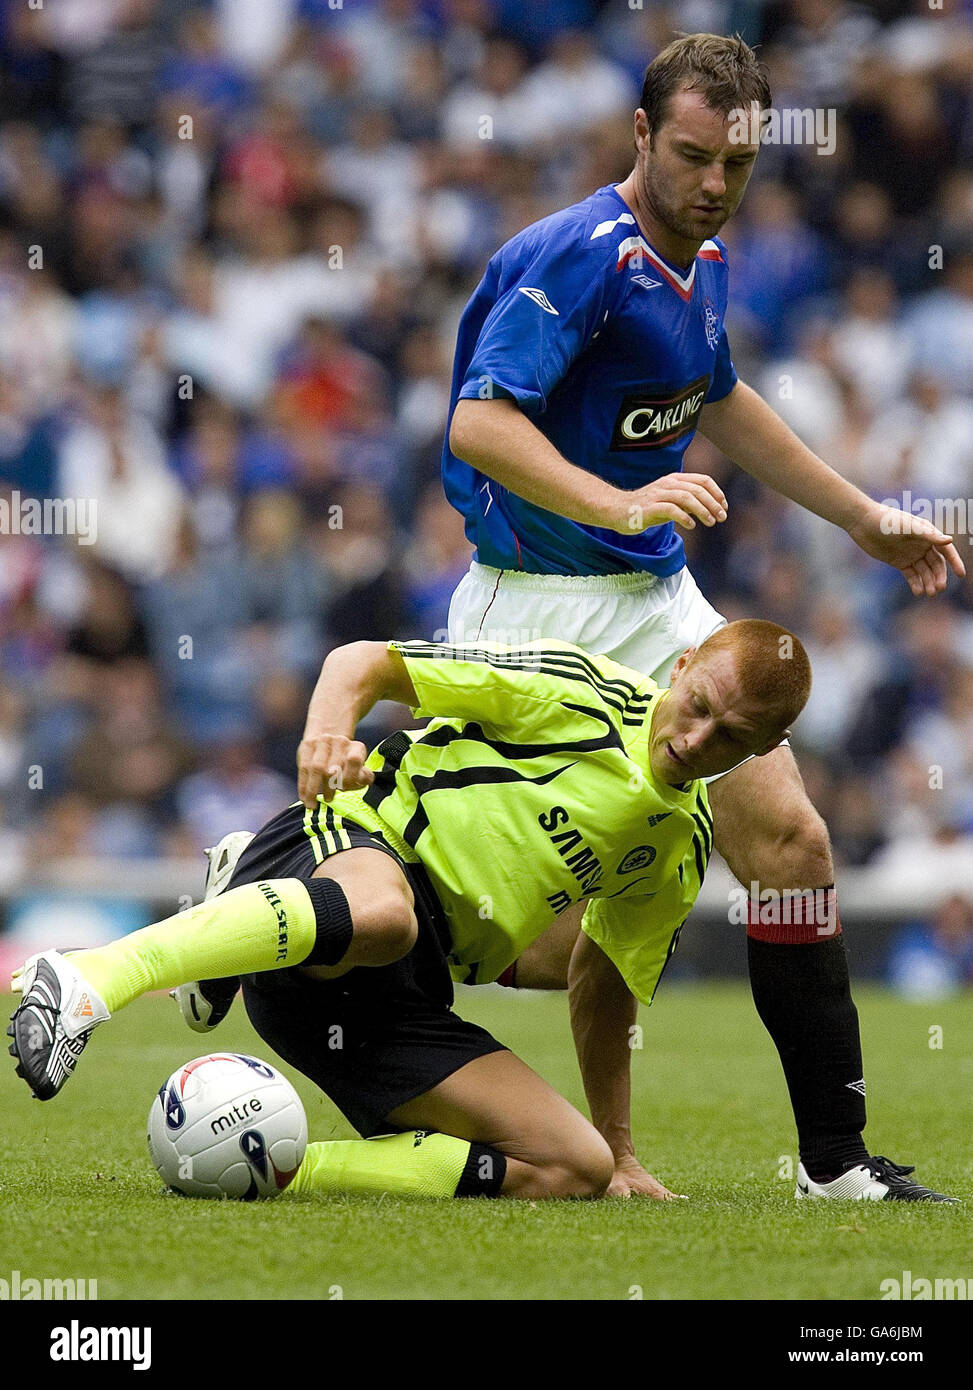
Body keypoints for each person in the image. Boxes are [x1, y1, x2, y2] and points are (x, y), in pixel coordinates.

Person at [441, 32, 965, 1200]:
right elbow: (480, 422)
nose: (715, 181)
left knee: (790, 844)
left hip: (650, 597)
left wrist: (860, 516)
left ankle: (833, 1164)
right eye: (692, 154)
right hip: (537, 605)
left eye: (737, 160)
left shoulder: (706, 256)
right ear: (639, 135)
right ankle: (285, 903)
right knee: (515, 930)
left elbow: (715, 396)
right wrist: (620, 500)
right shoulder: (576, 255)